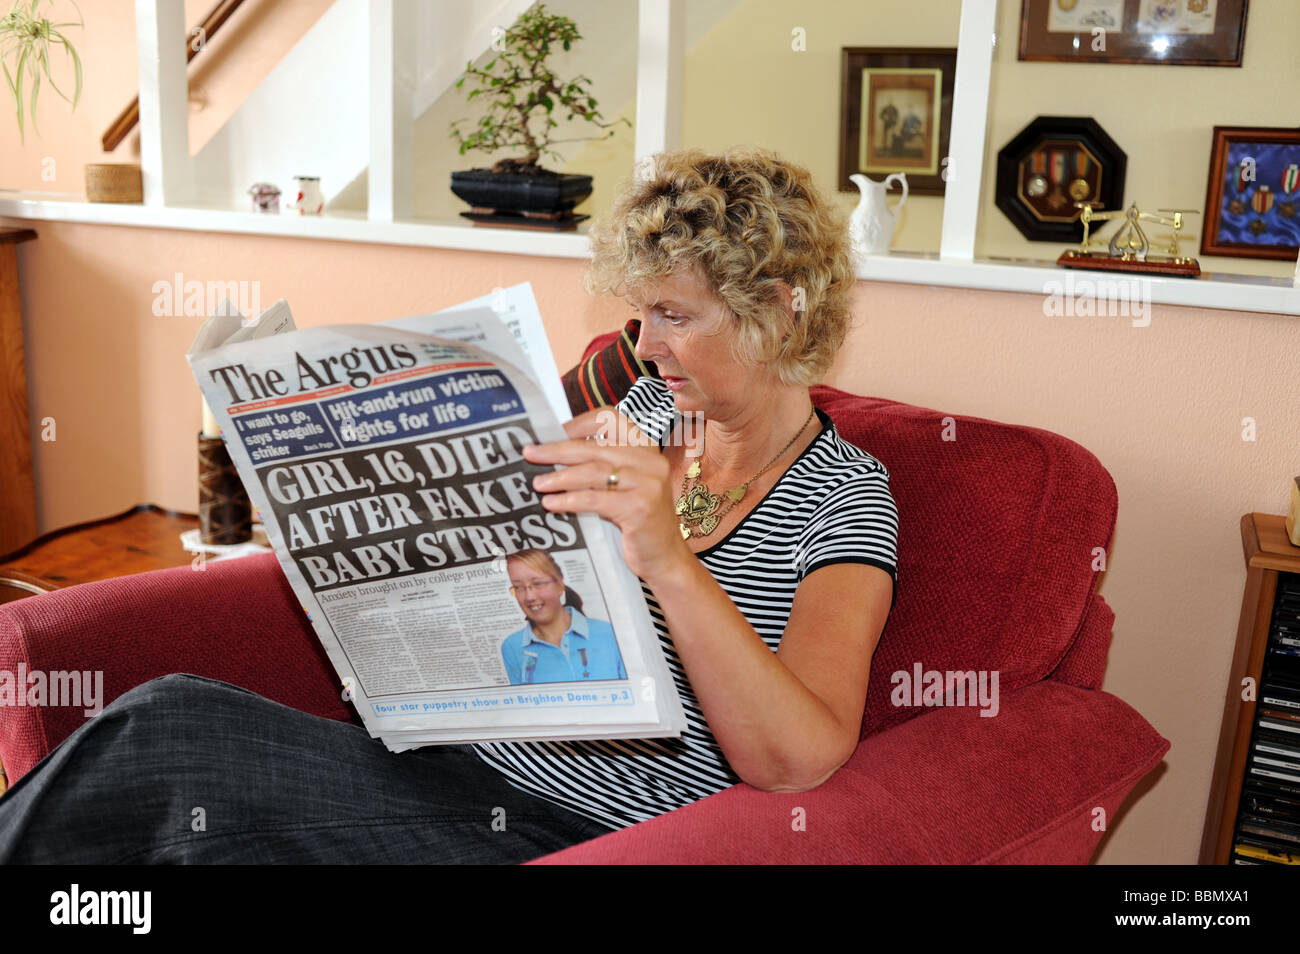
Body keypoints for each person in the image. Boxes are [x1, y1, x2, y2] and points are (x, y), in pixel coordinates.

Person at [0, 144, 898, 863]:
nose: (646, 344)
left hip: (566, 824)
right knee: (173, 721)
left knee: (173, 746)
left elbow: (798, 758)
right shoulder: (644, 413)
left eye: (676, 316)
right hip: (451, 764)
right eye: (640, 314)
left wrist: (665, 556)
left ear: (782, 309)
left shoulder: (845, 496)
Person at [499, 549, 626, 685]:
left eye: (537, 583)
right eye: (518, 587)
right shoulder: (511, 646)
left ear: (559, 585)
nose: (529, 597)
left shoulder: (609, 633)